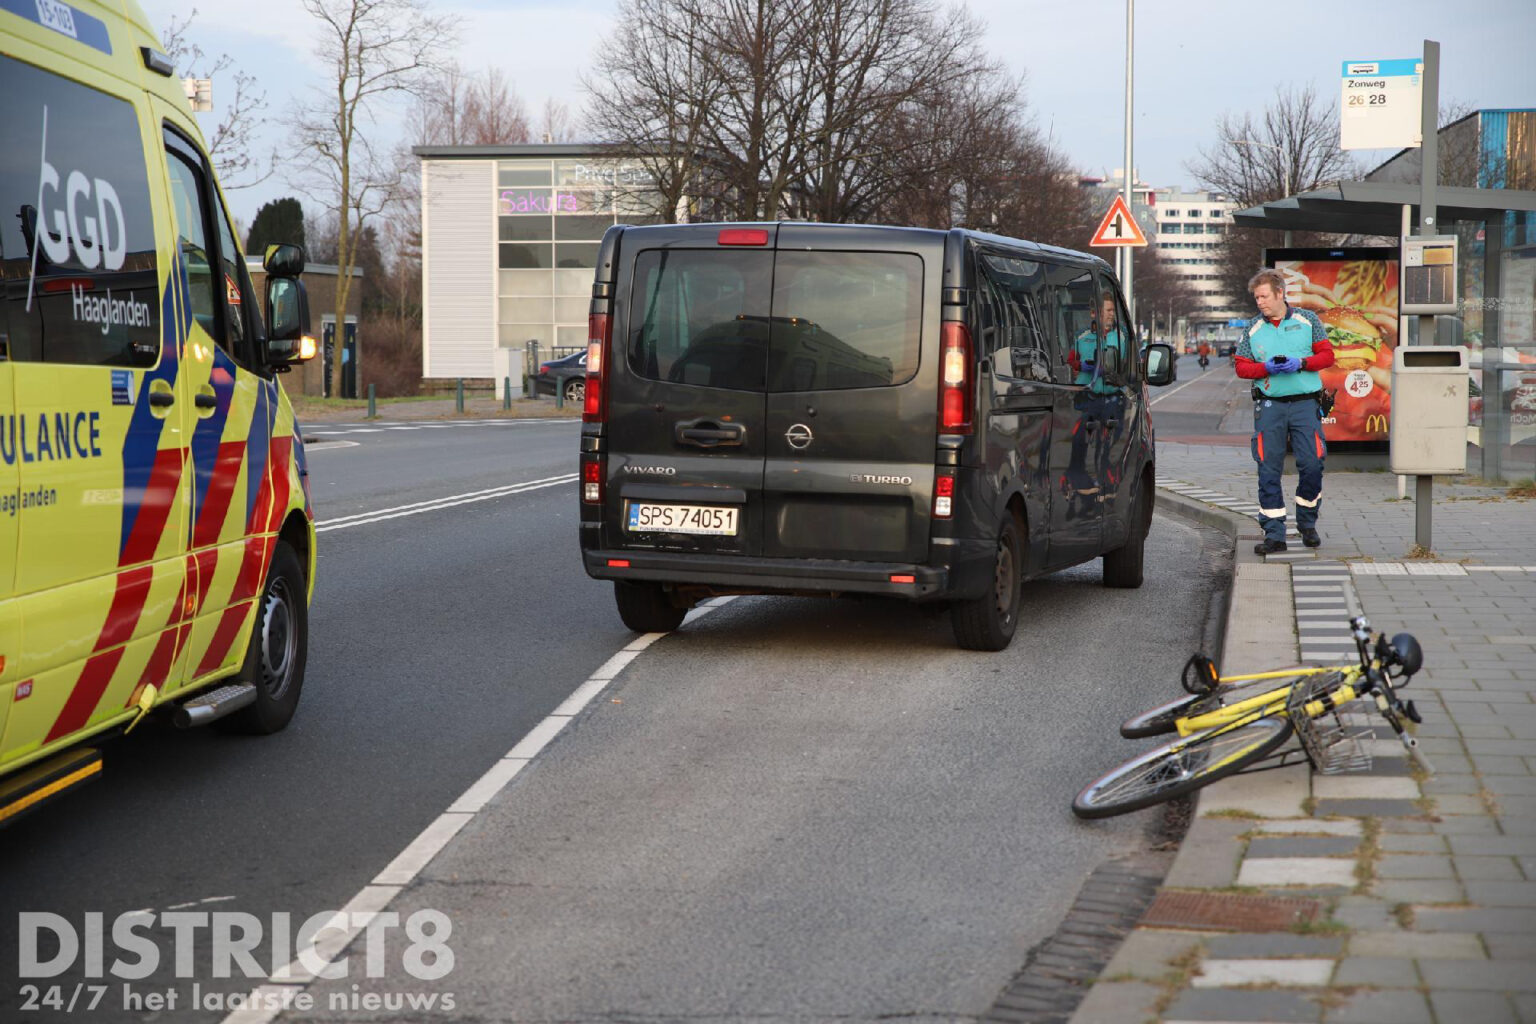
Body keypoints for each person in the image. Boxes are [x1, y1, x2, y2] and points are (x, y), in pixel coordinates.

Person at [1235, 269, 1335, 555]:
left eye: (1264, 296)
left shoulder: (1308, 320)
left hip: (1305, 404)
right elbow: (1241, 366)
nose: (1260, 302)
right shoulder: (1253, 327)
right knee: (1268, 469)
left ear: (1280, 294)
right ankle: (1274, 534)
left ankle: (1307, 522)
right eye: (1257, 298)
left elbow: (1328, 356)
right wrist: (1265, 368)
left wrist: (1301, 363)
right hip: (1270, 407)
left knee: (1313, 463)